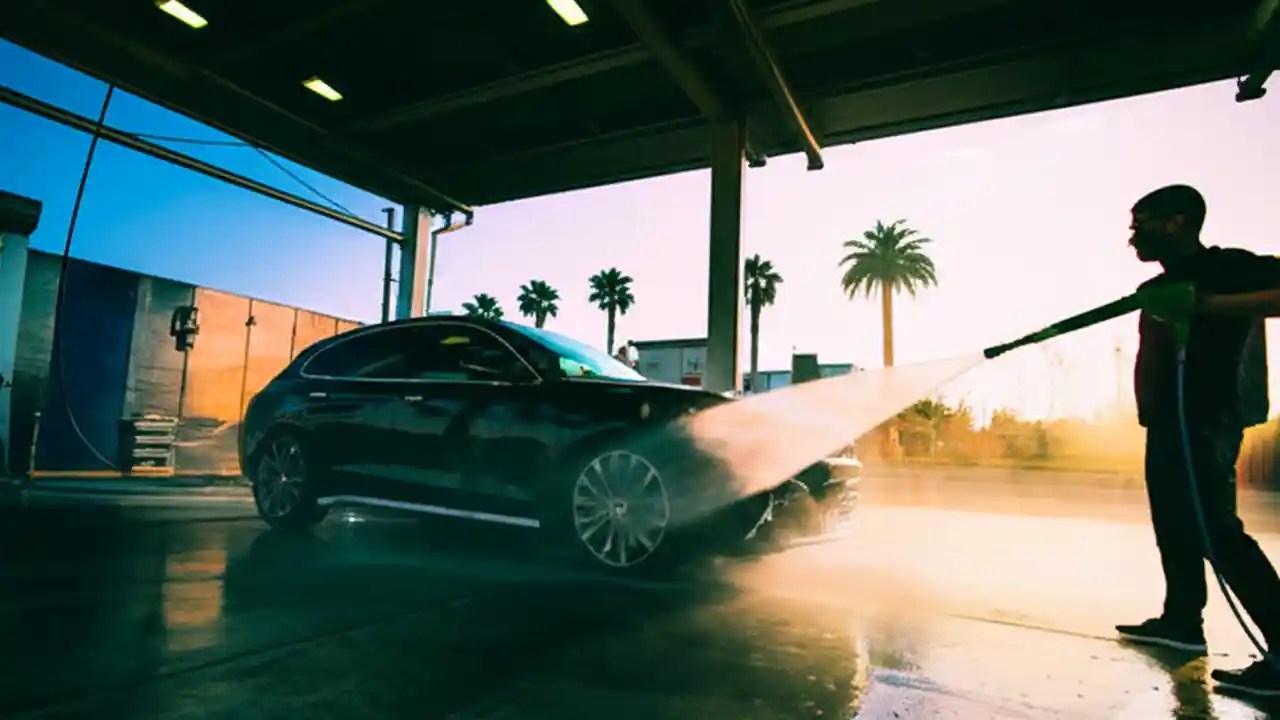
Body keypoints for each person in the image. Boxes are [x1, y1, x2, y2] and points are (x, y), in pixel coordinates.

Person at [1117, 184, 1280, 696]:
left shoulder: (1229, 267)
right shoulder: (1161, 283)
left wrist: (1203, 305)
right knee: (1173, 523)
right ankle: (1182, 623)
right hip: (1168, 423)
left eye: (1140, 223)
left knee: (1218, 533)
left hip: (1207, 423)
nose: (1131, 236)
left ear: (1177, 222)